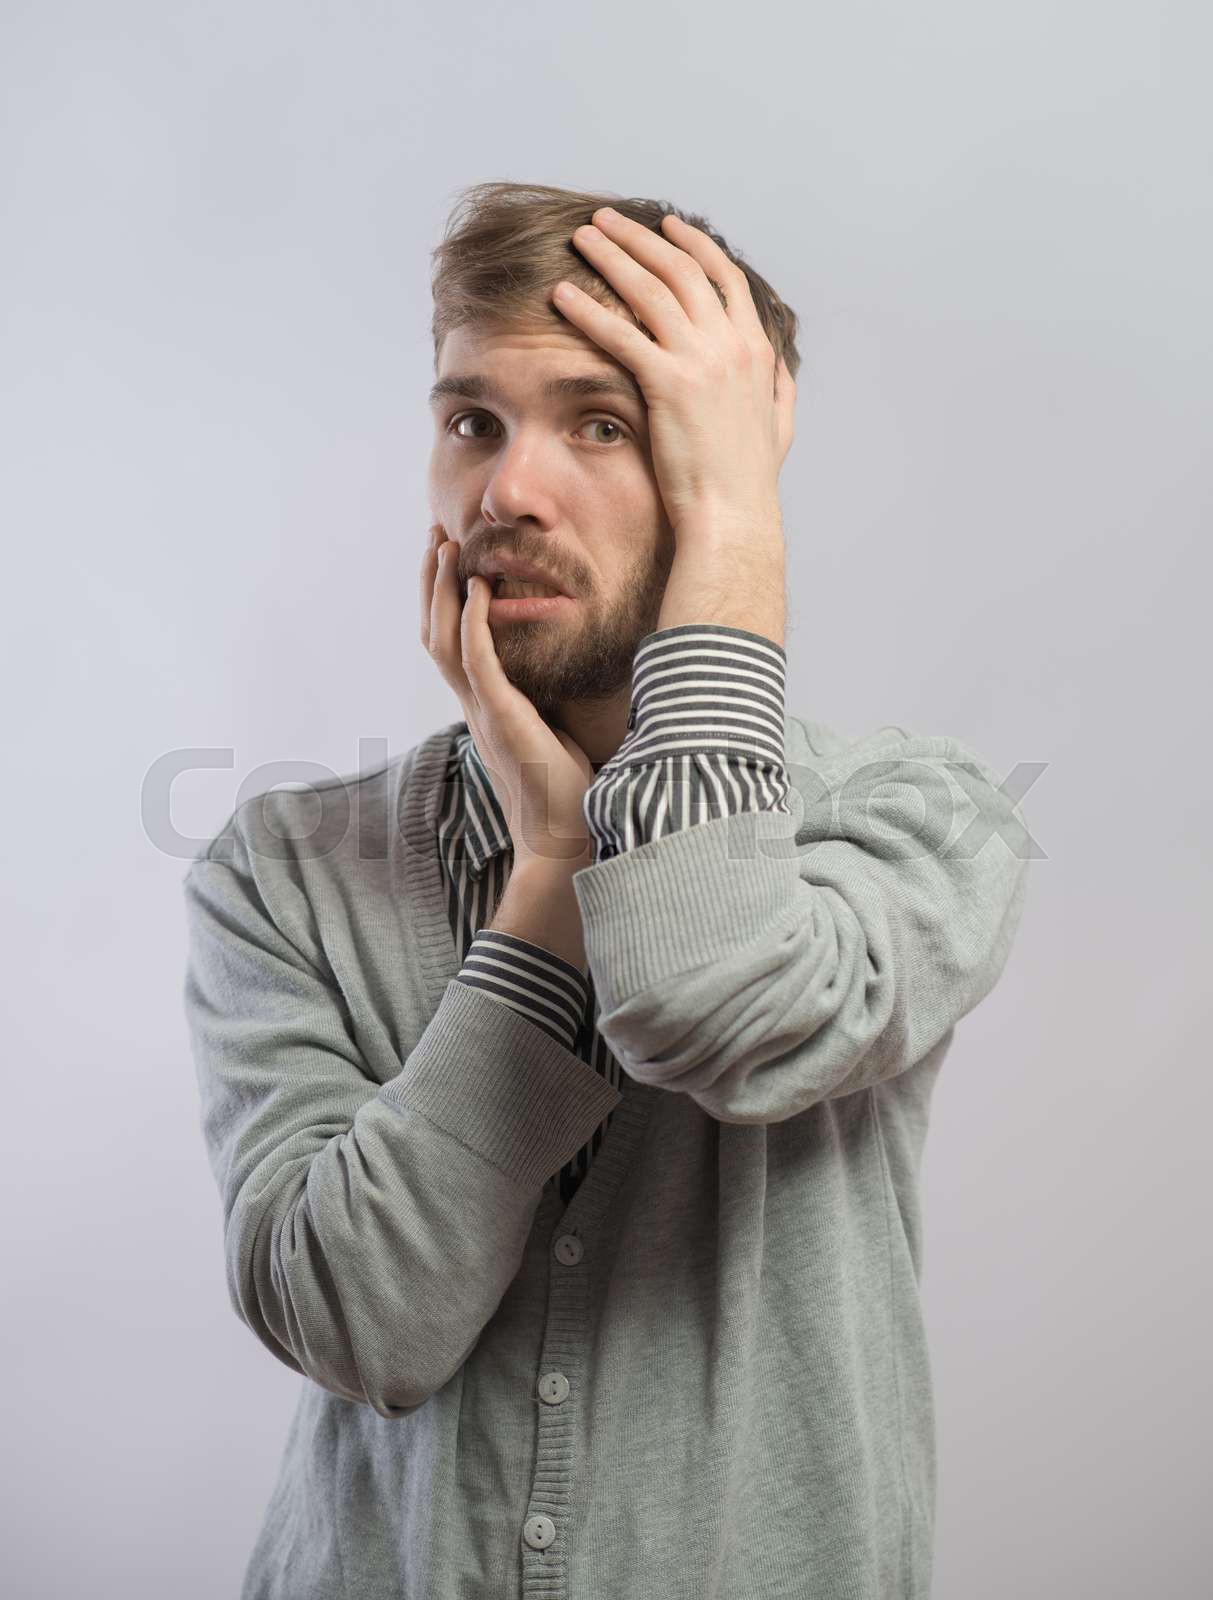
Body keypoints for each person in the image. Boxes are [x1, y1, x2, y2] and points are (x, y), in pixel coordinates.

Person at [182, 181, 1031, 1600]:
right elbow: (359, 1325)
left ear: (715, 478)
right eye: (471, 423)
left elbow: (719, 1001)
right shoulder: (284, 867)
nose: (505, 491)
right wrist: (552, 876)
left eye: (603, 423)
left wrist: (736, 545)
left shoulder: (912, 818)